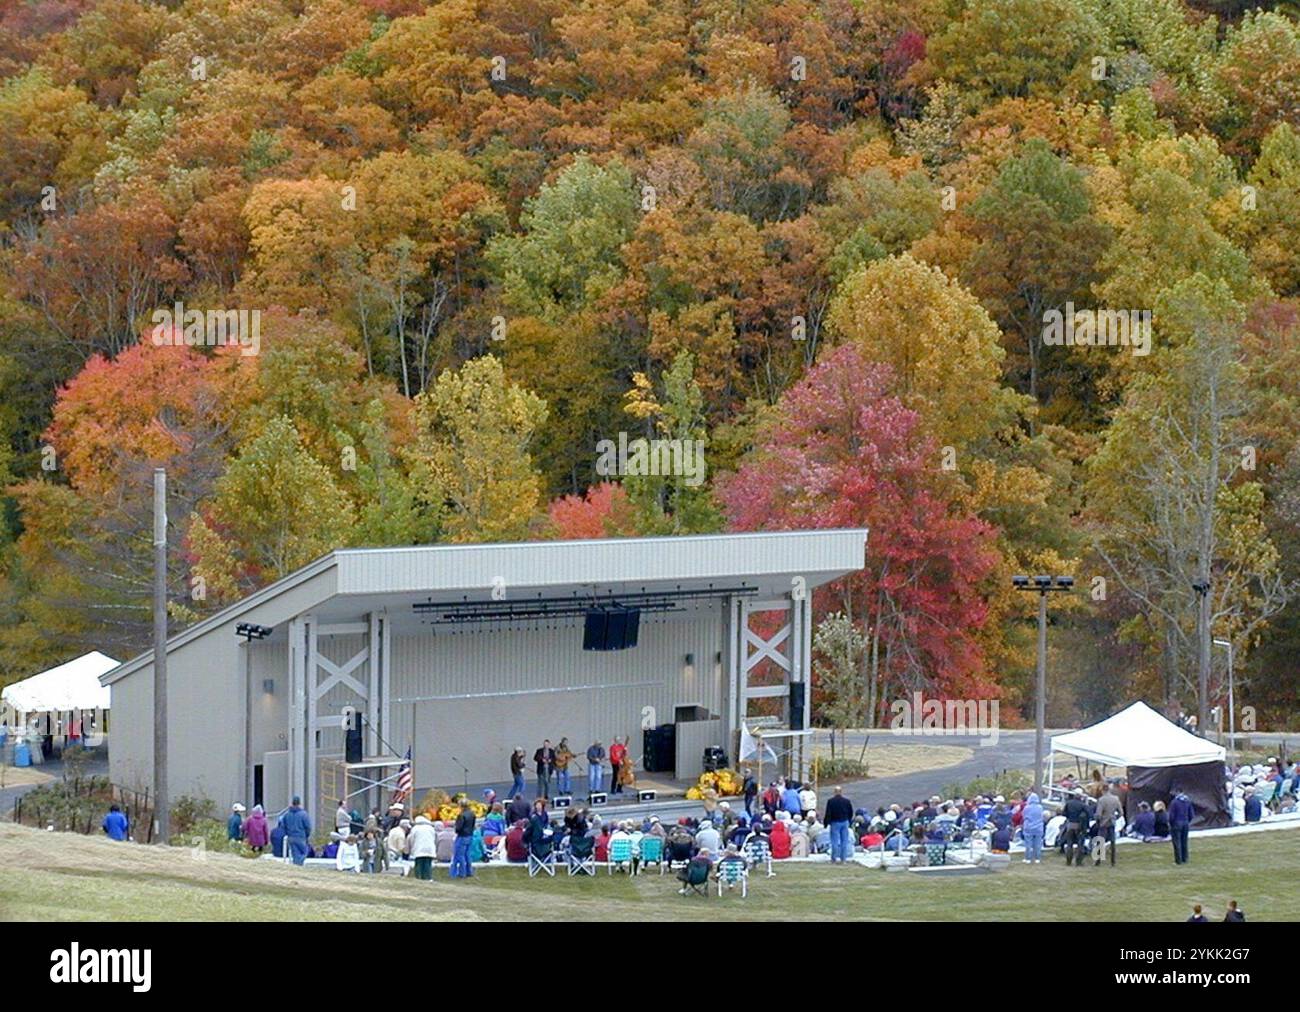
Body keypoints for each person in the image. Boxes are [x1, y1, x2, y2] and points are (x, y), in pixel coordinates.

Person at [824, 786, 854, 864]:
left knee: (834, 841)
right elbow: (851, 812)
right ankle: (843, 859)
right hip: (844, 822)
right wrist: (849, 820)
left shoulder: (831, 801)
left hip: (835, 822)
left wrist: (826, 823)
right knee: (844, 841)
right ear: (841, 792)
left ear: (834, 792)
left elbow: (828, 813)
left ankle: (834, 859)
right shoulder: (847, 801)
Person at [281, 796, 313, 866]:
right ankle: (299, 864)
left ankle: (297, 866)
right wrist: (306, 835)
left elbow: (283, 826)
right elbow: (308, 827)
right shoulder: (303, 814)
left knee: (295, 854)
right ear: (299, 803)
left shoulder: (287, 814)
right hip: (301, 836)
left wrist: (287, 833)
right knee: (305, 852)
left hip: (291, 837)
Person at [1094, 784, 1121, 866]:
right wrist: (1115, 817)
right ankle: (1113, 861)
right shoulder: (1116, 799)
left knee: (1101, 841)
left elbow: (1098, 813)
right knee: (1113, 842)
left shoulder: (1101, 800)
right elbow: (1121, 812)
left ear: (1103, 790)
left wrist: (1097, 821)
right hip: (1112, 821)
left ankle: (1098, 860)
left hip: (1103, 822)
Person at [1061, 790, 1090, 867]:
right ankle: (1078, 861)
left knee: (1069, 844)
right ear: (1081, 796)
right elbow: (1088, 815)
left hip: (1070, 824)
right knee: (1080, 844)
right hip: (1079, 826)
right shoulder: (1083, 805)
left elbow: (1063, 813)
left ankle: (1068, 861)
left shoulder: (1068, 803)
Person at [451, 798, 476, 878]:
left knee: (459, 855)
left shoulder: (461, 815)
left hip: (462, 836)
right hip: (470, 835)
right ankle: (469, 871)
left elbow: (458, 828)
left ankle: (462, 872)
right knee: (467, 854)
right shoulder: (472, 814)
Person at [407, 815, 437, 880]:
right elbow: (435, 838)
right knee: (428, 864)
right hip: (430, 848)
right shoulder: (431, 828)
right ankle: (428, 877)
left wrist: (412, 848)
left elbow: (412, 839)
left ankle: (418, 877)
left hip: (419, 848)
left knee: (419, 864)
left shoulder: (415, 828)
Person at [1169, 790, 1194, 865]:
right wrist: (1187, 821)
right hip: (1185, 823)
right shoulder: (1188, 802)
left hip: (1177, 823)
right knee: (1184, 841)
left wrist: (1171, 823)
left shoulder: (1174, 802)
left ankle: (1178, 860)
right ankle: (1185, 858)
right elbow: (1191, 815)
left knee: (1177, 842)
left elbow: (1171, 816)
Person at [1020, 792, 1044, 864]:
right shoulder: (1040, 807)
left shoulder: (1027, 808)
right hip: (1039, 828)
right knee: (1038, 844)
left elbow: (1024, 816)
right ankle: (1037, 858)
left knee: (1028, 843)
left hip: (1029, 827)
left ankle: (1027, 858)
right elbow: (1042, 816)